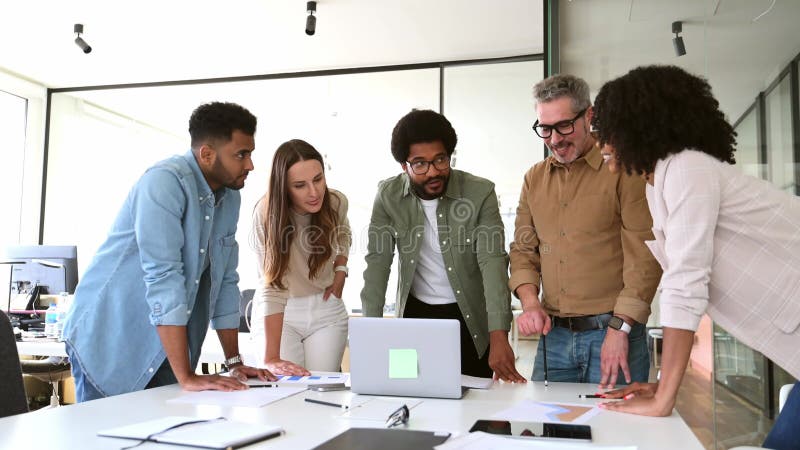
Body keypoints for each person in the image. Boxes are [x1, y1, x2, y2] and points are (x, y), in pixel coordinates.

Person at [592, 65, 800, 449]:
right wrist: (663, 386)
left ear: (640, 125)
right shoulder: (659, 183)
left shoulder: (687, 167)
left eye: (606, 126)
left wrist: (664, 399)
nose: (599, 140)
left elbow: (685, 284)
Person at [62, 102, 274, 402]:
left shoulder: (230, 197)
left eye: (250, 153)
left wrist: (234, 363)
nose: (250, 165)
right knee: (107, 429)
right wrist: (186, 376)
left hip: (168, 348)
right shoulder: (164, 182)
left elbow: (225, 278)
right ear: (207, 154)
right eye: (241, 154)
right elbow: (164, 277)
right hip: (111, 340)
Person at [510, 74, 662, 387]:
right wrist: (531, 303)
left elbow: (645, 256)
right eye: (545, 129)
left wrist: (620, 328)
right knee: (546, 420)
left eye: (564, 126)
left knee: (614, 419)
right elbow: (524, 251)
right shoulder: (533, 179)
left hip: (614, 333)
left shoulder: (623, 170)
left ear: (589, 116)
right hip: (554, 339)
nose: (554, 139)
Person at [361, 109, 525, 382]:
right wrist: (372, 335)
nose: (433, 171)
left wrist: (499, 335)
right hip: (413, 318)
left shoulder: (480, 193)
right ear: (404, 166)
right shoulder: (388, 196)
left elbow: (493, 263)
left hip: (471, 319)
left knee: (477, 402)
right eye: (420, 164)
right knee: (408, 393)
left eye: (440, 159)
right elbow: (377, 264)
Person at [250, 139, 351, 375]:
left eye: (318, 179)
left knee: (319, 389)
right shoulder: (265, 213)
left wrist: (341, 270)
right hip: (280, 312)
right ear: (283, 187)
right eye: (299, 185)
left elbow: (344, 235)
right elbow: (272, 285)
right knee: (284, 388)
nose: (314, 192)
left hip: (327, 310)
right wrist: (271, 357)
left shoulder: (336, 203)